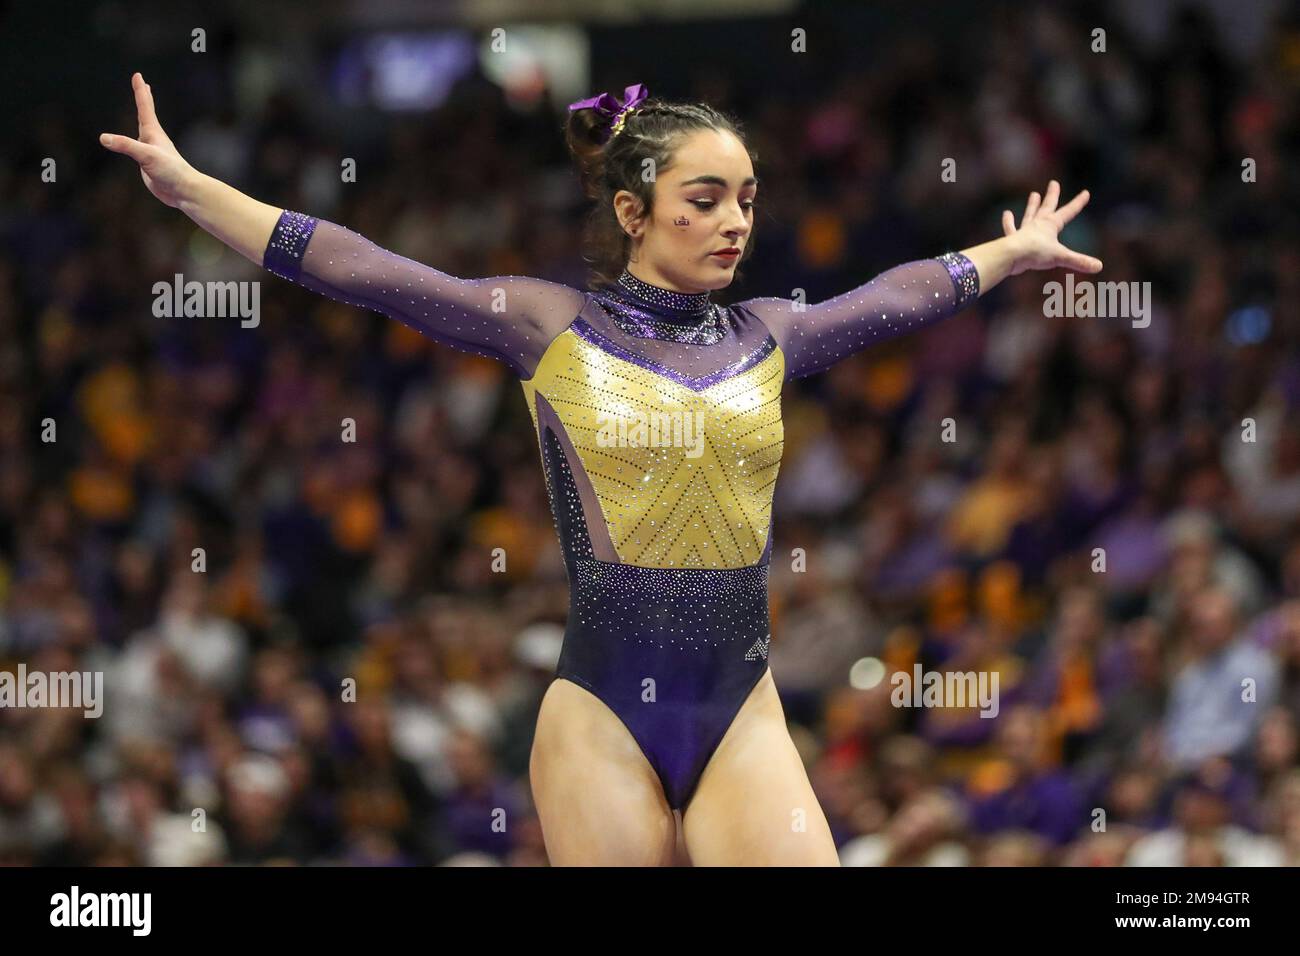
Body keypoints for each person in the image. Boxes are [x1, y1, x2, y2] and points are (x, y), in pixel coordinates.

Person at [101, 74, 1102, 865]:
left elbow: (899, 295)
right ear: (632, 210)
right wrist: (194, 191)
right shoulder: (550, 326)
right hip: (602, 709)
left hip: (740, 704)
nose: (733, 223)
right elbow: (365, 268)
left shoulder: (773, 332)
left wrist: (1009, 254)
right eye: (703, 199)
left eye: (745, 200)